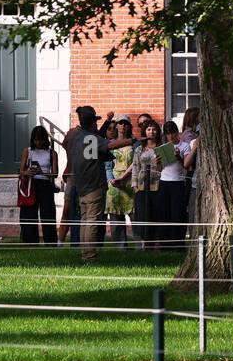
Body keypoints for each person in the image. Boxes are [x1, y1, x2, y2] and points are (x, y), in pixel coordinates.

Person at [62, 106, 133, 262]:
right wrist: (133, 140)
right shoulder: (91, 138)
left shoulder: (76, 136)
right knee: (93, 221)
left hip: (81, 184)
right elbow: (110, 145)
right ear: (92, 122)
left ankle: (85, 254)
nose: (96, 124)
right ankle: (90, 256)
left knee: (85, 221)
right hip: (94, 184)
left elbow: (94, 140)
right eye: (95, 121)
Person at [18, 126, 59, 244]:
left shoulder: (52, 153)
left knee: (48, 214)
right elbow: (21, 171)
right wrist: (27, 172)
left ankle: (50, 242)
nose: (38, 142)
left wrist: (42, 172)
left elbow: (55, 173)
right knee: (29, 214)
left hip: (45, 185)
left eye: (40, 139)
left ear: (45, 139)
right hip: (31, 185)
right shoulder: (28, 151)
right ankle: (30, 242)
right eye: (36, 140)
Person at [156, 120, 194, 247]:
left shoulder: (185, 146)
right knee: (163, 213)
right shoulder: (163, 147)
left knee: (177, 213)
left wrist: (178, 157)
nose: (170, 136)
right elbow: (159, 169)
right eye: (167, 133)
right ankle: (164, 243)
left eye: (172, 133)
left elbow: (187, 166)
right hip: (164, 182)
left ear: (177, 132)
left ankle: (177, 243)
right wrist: (158, 162)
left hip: (178, 182)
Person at [128, 120, 164, 249]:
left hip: (158, 187)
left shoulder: (162, 147)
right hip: (142, 187)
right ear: (144, 131)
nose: (151, 132)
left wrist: (157, 163)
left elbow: (165, 167)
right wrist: (135, 186)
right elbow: (135, 168)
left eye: (154, 129)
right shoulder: (139, 149)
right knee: (143, 216)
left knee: (156, 215)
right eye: (148, 129)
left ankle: (156, 244)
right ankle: (145, 244)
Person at [105, 118, 136, 248]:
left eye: (125, 123)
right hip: (114, 183)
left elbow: (137, 162)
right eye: (120, 123)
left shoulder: (135, 143)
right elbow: (107, 165)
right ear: (116, 126)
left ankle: (140, 245)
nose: (122, 126)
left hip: (130, 181)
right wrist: (111, 179)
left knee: (134, 215)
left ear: (129, 126)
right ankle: (120, 247)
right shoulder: (110, 144)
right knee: (116, 217)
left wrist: (124, 177)